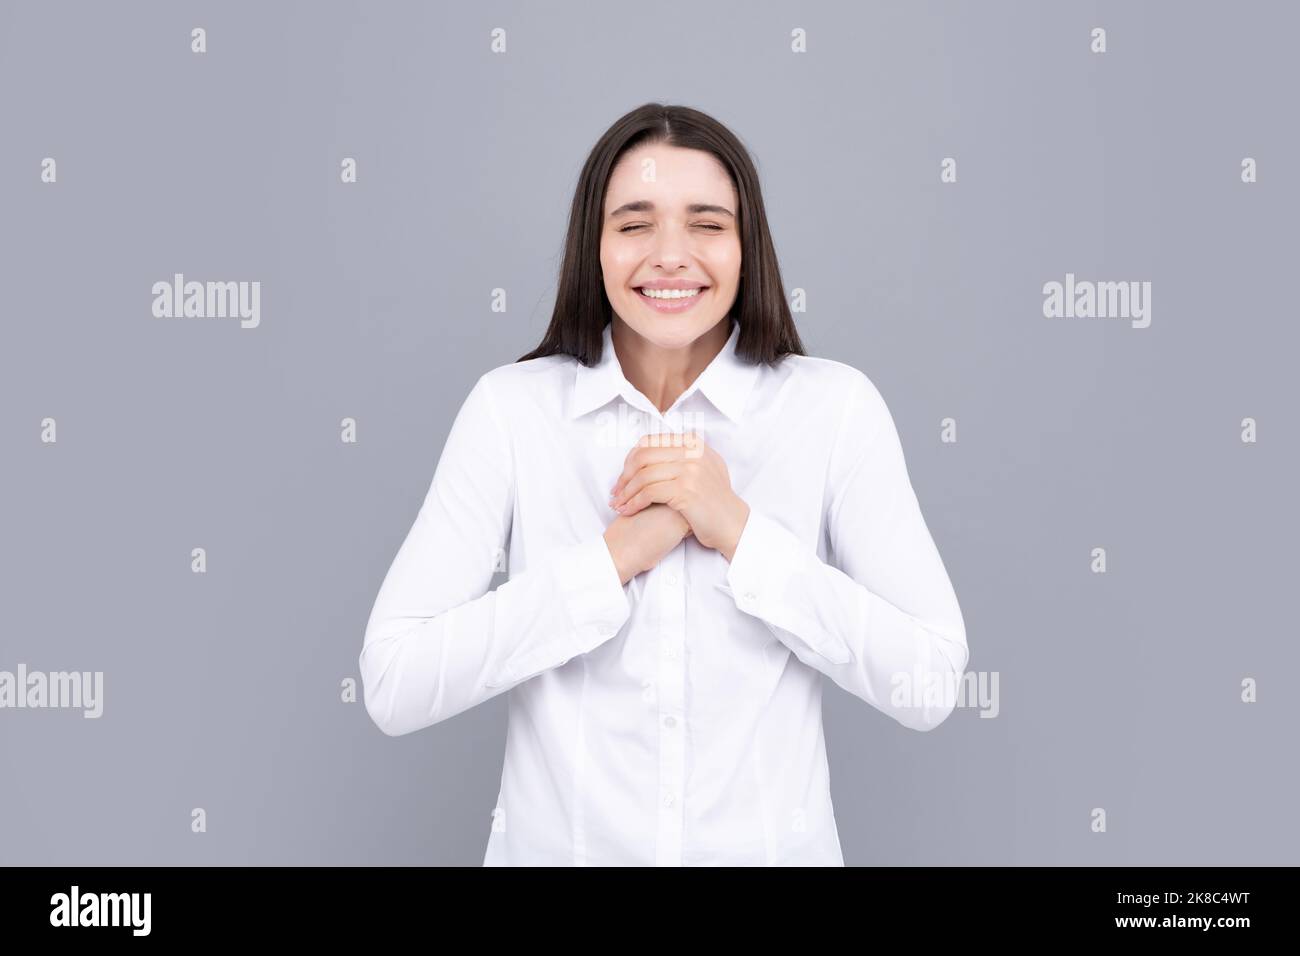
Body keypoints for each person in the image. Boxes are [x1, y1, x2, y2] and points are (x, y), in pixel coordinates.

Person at [359, 103, 968, 866]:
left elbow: (930, 682)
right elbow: (393, 682)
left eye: (708, 224)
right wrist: (611, 560)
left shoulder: (835, 409)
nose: (670, 256)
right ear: (596, 246)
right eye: (635, 223)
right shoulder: (510, 412)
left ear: (748, 249)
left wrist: (740, 535)